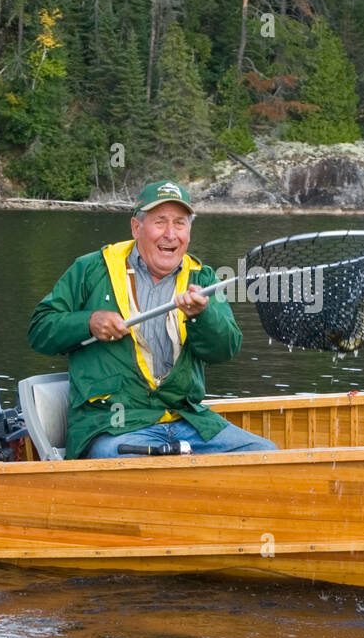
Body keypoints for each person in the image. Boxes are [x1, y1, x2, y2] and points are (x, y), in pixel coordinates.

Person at [28, 180, 277, 458]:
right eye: (160, 222)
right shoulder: (90, 269)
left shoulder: (202, 278)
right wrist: (88, 321)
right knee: (127, 462)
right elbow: (40, 330)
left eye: (180, 223)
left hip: (185, 420)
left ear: (189, 230)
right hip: (112, 425)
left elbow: (225, 349)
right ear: (137, 228)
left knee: (265, 454)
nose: (170, 234)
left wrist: (201, 316)